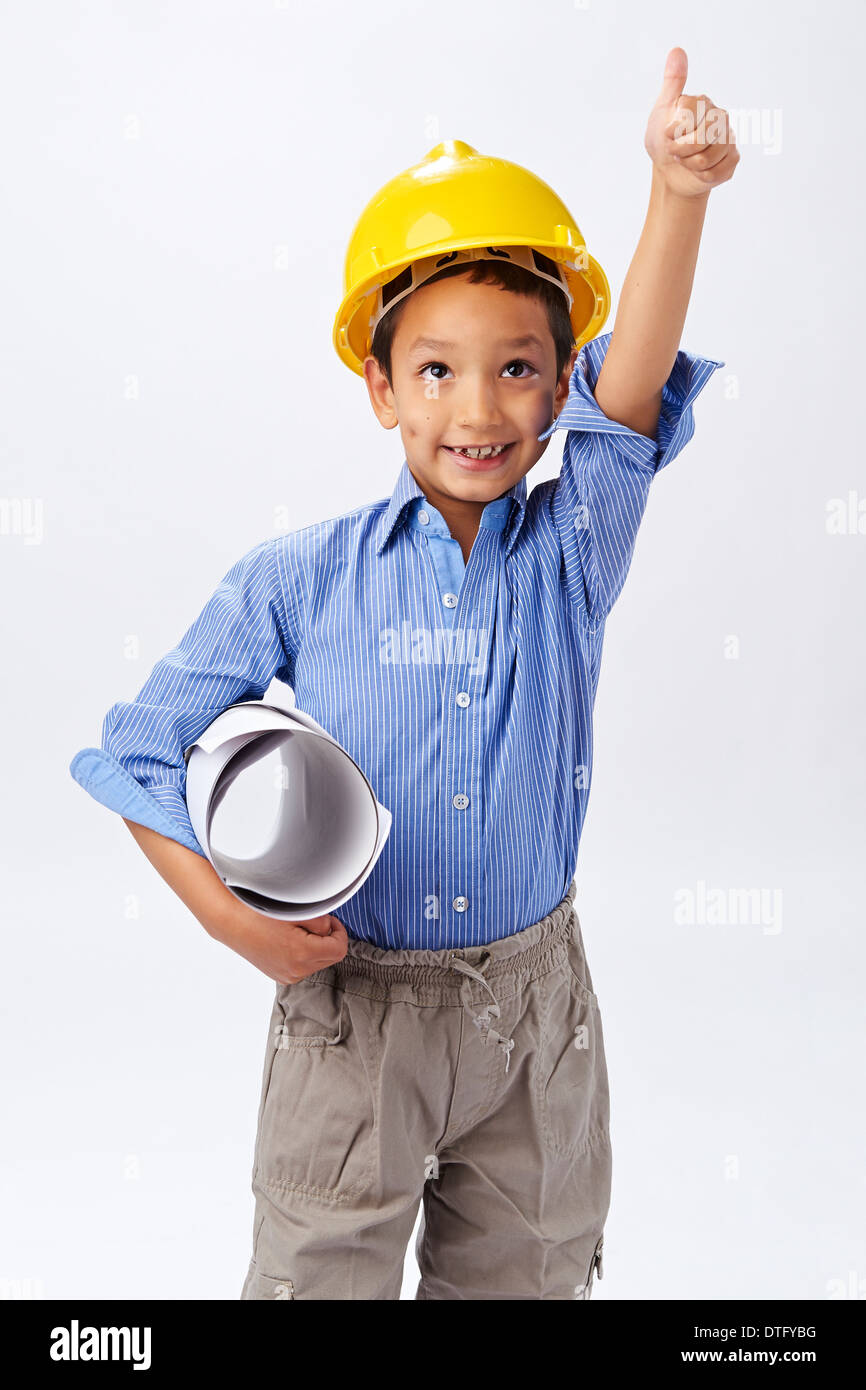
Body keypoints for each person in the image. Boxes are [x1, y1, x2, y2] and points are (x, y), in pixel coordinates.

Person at [69, 47, 739, 1299]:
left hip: (532, 1018)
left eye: (517, 366)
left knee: (527, 1279)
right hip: (351, 1015)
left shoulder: (572, 551)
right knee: (320, 1279)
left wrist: (676, 194)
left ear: (555, 392)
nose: (476, 406)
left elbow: (632, 383)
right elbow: (138, 749)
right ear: (378, 386)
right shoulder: (299, 576)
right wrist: (232, 920)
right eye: (434, 368)